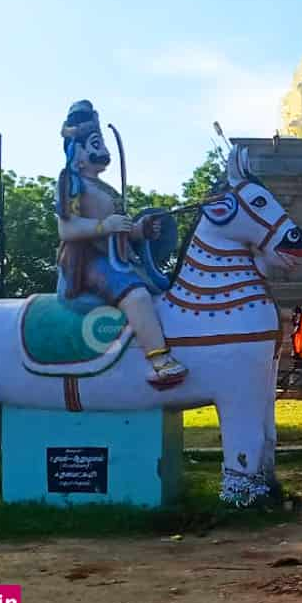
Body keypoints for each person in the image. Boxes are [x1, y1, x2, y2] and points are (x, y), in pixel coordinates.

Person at [55, 100, 187, 389]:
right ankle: (159, 361)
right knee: (137, 297)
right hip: (87, 261)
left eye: (101, 141)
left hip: (119, 257)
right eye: (95, 142)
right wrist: (105, 226)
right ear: (77, 152)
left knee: (162, 290)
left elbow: (120, 230)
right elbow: (66, 227)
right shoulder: (70, 182)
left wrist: (140, 230)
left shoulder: (105, 188)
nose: (102, 148)